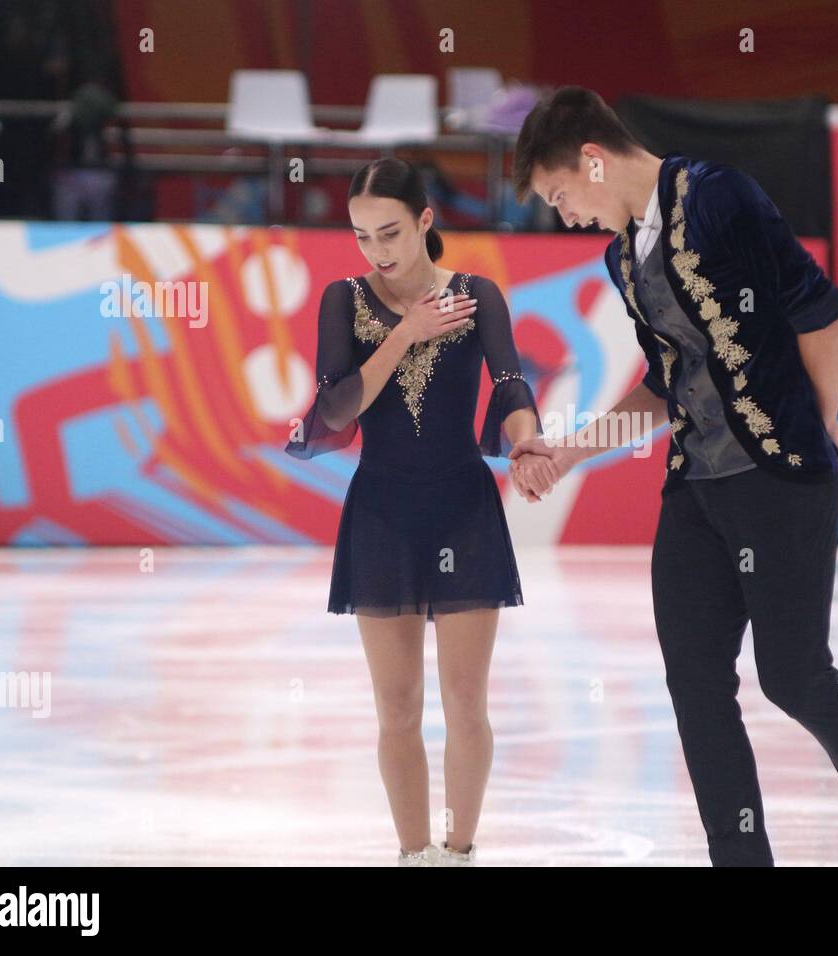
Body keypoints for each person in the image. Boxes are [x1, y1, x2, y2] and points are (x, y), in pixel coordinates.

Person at [508, 86, 838, 866]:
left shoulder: (718, 196)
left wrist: (821, 427)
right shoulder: (622, 254)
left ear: (592, 161)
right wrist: (568, 452)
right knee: (696, 685)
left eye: (559, 194)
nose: (562, 214)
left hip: (778, 475)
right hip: (697, 490)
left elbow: (822, 312)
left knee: (796, 677)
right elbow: (666, 382)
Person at [284, 158, 556, 866]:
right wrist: (405, 332)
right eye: (363, 236)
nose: (378, 250)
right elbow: (336, 406)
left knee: (467, 706)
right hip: (381, 511)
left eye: (392, 231)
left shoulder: (476, 296)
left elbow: (510, 384)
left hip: (462, 507)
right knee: (397, 710)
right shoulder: (342, 301)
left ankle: (459, 851)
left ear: (426, 221)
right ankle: (414, 855)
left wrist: (527, 445)